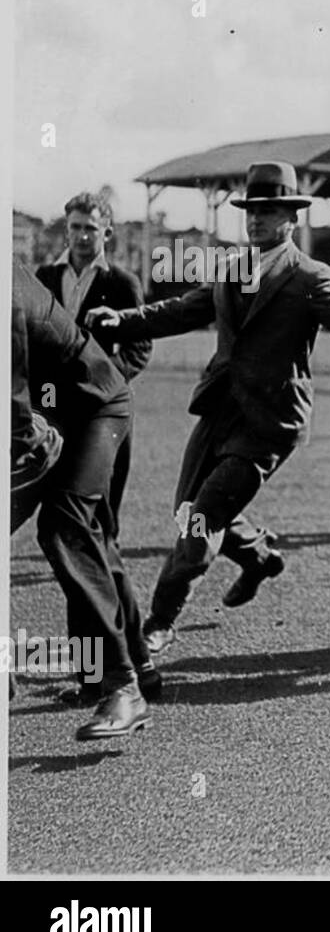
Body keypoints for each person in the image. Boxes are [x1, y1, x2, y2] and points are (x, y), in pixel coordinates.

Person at [86, 161, 330, 655]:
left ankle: (159, 620)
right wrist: (121, 320)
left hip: (270, 420)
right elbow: (183, 310)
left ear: (291, 217)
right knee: (187, 509)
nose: (257, 222)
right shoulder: (231, 268)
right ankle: (258, 556)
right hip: (219, 409)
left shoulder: (311, 277)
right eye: (252, 212)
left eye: (269, 212)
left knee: (202, 516)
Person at [12, 266, 159, 738]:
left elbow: (10, 385)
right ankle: (138, 664)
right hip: (49, 411)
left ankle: (123, 688)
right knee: (91, 533)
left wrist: (23, 441)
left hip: (97, 403)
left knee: (65, 526)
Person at [36, 191, 152, 529]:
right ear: (66, 230)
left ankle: (106, 556)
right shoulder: (45, 278)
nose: (82, 236)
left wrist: (105, 381)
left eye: (91, 228)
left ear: (107, 233)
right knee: (56, 486)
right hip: (54, 400)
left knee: (105, 493)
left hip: (103, 403)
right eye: (75, 227)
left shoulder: (121, 283)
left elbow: (140, 348)